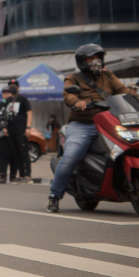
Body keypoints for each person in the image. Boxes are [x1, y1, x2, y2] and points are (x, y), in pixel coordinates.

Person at [48, 43, 128, 213]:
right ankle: (55, 195)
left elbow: (122, 90)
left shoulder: (109, 75)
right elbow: (68, 95)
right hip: (83, 124)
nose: (95, 62)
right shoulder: (73, 78)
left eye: (97, 57)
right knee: (70, 157)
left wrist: (136, 98)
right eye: (91, 59)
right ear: (82, 62)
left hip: (110, 123)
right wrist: (77, 101)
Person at [4, 79, 34, 182]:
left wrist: (28, 127)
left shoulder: (23, 99)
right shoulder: (8, 101)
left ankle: (28, 175)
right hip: (11, 131)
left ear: (18, 88)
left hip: (21, 130)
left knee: (24, 153)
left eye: (14, 86)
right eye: (10, 86)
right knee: (16, 154)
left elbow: (29, 113)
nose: (12, 87)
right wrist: (5, 127)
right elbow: (6, 115)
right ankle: (21, 175)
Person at [0, 87, 16, 185]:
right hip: (1, 137)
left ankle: (13, 176)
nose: (6, 95)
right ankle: (2, 176)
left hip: (12, 135)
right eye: (4, 93)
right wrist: (1, 128)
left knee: (14, 156)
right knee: (2, 157)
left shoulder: (15, 106)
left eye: (8, 93)